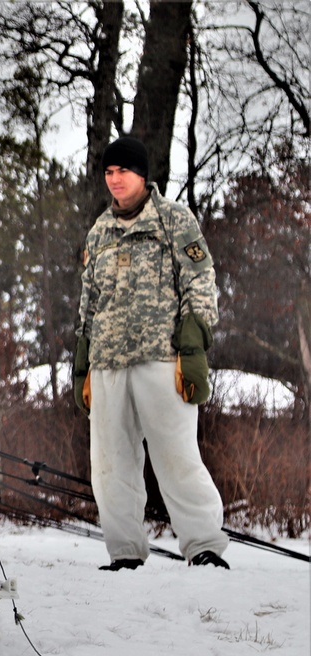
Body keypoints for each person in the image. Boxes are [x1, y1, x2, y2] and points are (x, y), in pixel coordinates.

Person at [75, 136, 230, 571]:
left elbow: (200, 281)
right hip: (107, 365)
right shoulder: (99, 231)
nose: (115, 180)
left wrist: (194, 345)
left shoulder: (174, 220)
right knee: (110, 465)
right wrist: (81, 364)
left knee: (176, 456)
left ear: (143, 175)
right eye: (109, 172)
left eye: (123, 171)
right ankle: (124, 552)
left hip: (162, 359)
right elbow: (88, 302)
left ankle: (204, 545)